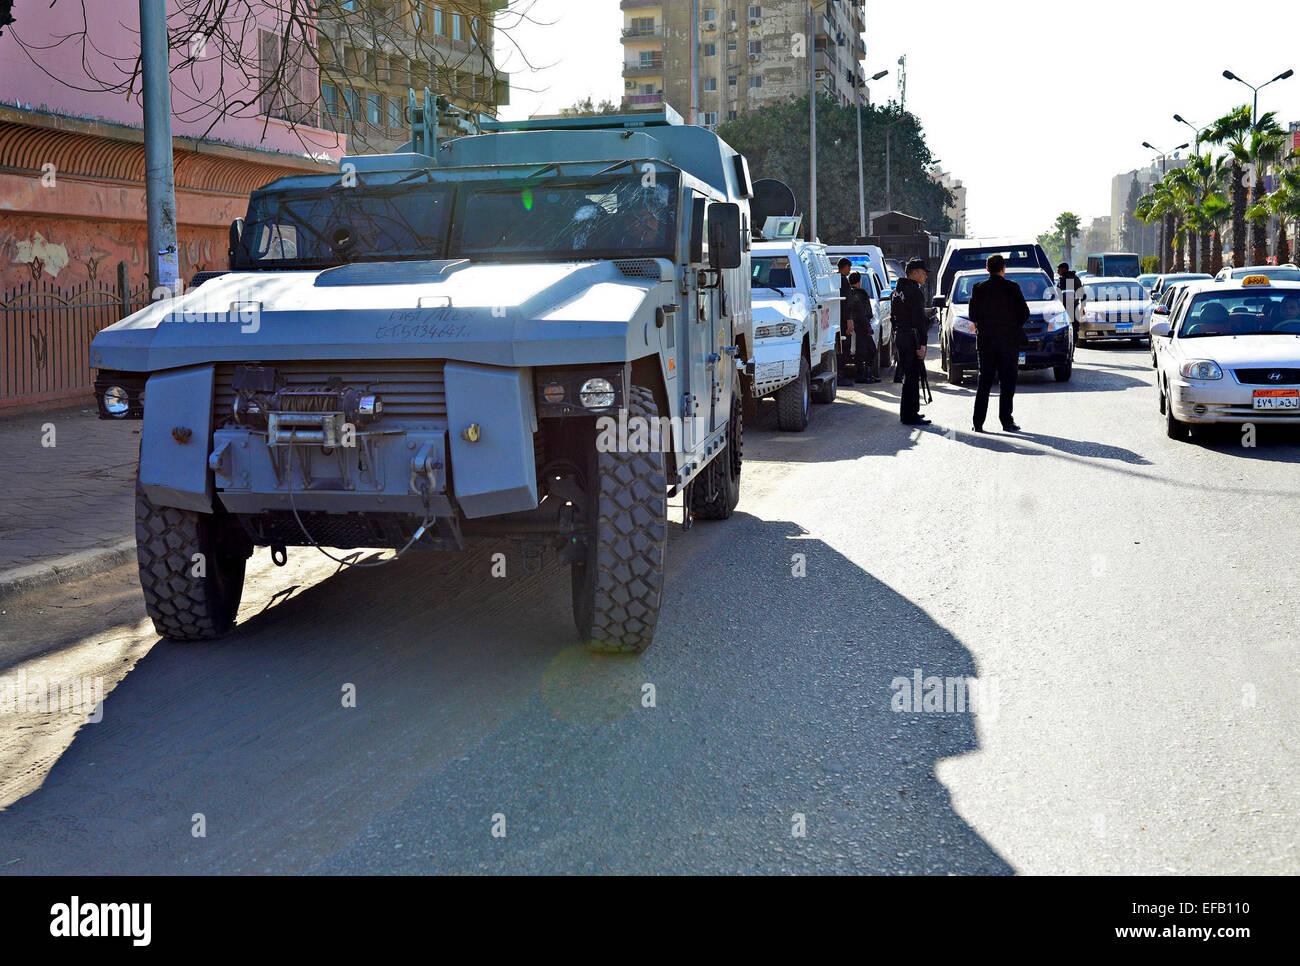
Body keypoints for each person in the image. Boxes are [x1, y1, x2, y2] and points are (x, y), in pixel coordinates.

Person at [969, 253, 1030, 433]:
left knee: (984, 382)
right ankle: (1006, 421)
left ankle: (978, 423)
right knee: (1007, 382)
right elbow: (1024, 313)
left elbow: (973, 315)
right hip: (1008, 342)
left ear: (987, 269)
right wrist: (1012, 325)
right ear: (1004, 268)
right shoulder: (1013, 287)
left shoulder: (978, 288)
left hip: (986, 342)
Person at [892, 257, 931, 426]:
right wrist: (922, 344)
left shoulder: (898, 290)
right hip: (911, 337)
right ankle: (909, 415)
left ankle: (910, 412)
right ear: (913, 274)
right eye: (923, 273)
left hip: (901, 335)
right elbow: (919, 320)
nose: (925, 277)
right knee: (912, 376)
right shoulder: (914, 291)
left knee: (909, 375)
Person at [849, 272, 880, 383]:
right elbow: (861, 312)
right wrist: (868, 327)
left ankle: (867, 375)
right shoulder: (860, 294)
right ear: (859, 281)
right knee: (867, 351)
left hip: (858, 325)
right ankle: (862, 376)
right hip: (862, 326)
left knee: (865, 351)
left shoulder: (850, 293)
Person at [837, 258, 856, 386]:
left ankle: (839, 374)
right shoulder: (843, 281)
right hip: (844, 320)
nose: (850, 270)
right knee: (845, 348)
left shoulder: (836, 279)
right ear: (844, 267)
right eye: (849, 268)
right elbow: (847, 303)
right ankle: (841, 375)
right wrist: (849, 320)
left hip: (839, 318)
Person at [1056, 262, 1086, 342]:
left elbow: (1081, 293)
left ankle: (1072, 344)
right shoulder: (1062, 279)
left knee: (1073, 327)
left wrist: (1082, 307)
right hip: (1062, 308)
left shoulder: (1071, 279)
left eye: (1059, 269)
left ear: (1064, 269)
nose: (1057, 271)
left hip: (1071, 307)